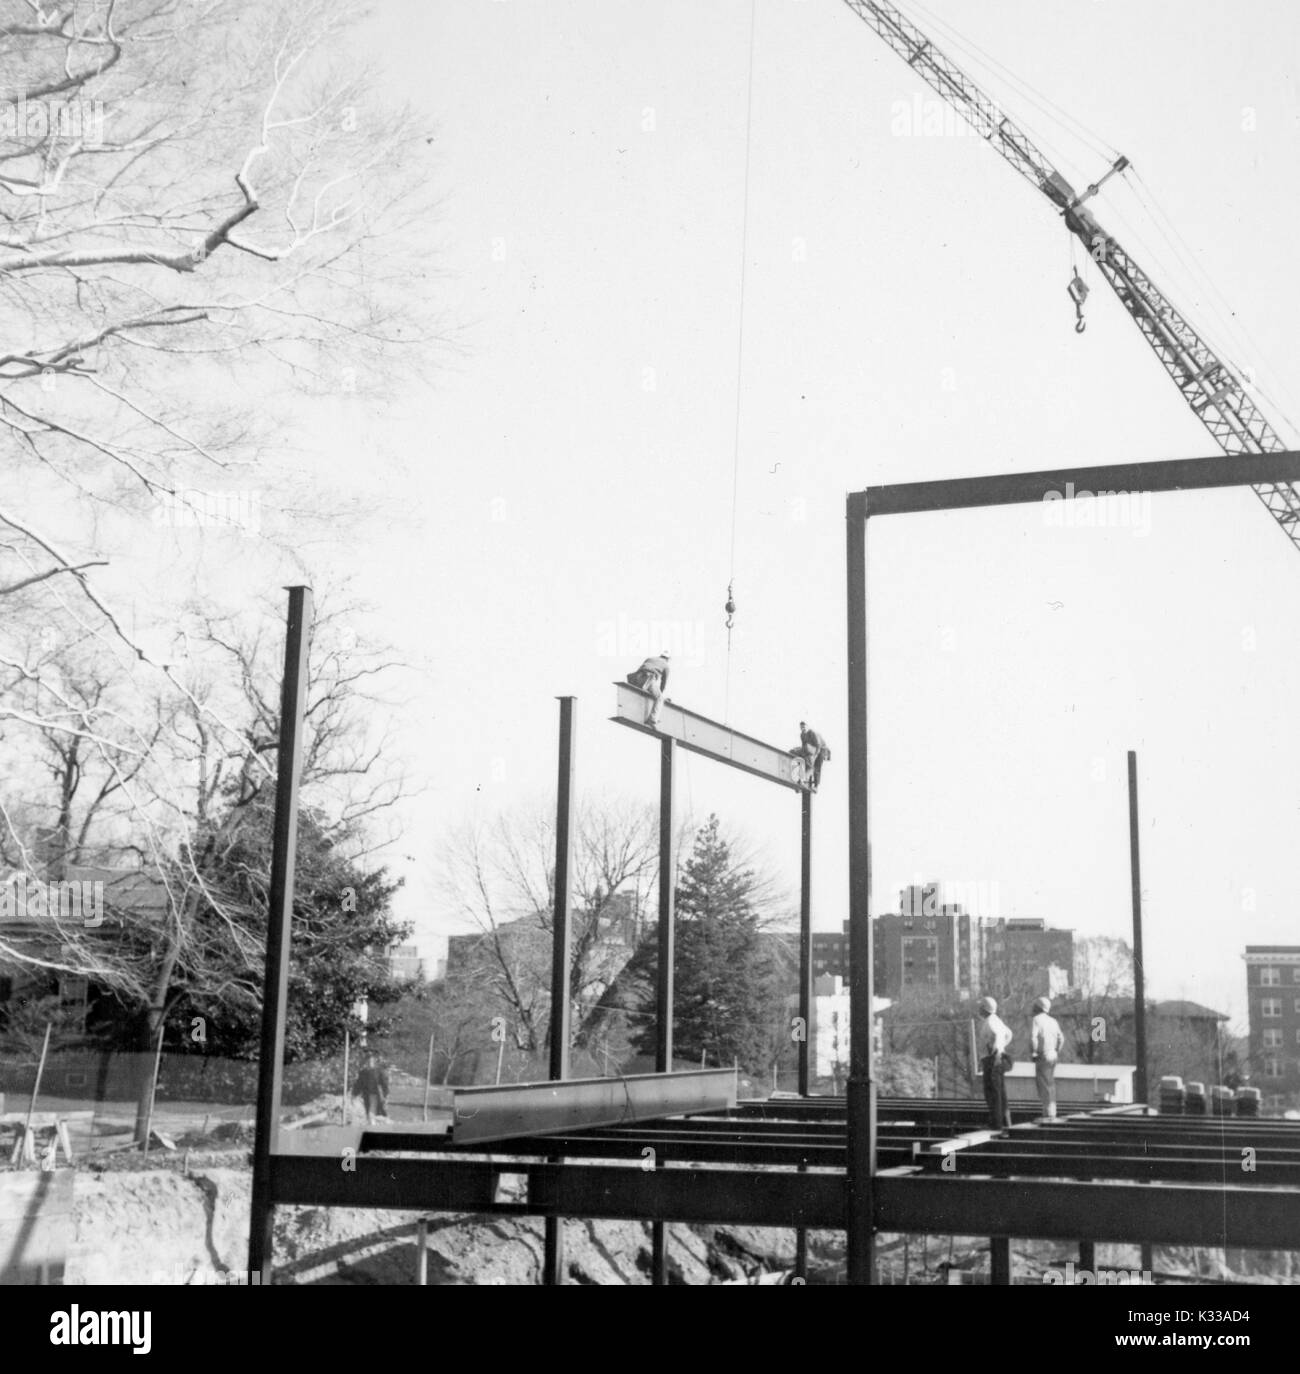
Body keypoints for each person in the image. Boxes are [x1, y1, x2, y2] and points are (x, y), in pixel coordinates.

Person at [977, 995, 1013, 1131]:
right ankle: (1004, 1122)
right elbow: (1009, 1033)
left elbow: (999, 1035)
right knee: (999, 1092)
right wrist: (1002, 1047)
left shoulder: (990, 1022)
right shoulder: (996, 1020)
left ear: (985, 1008)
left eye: (981, 1007)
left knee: (992, 1093)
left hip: (993, 1060)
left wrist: (996, 1051)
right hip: (996, 1058)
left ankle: (996, 1124)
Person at [1030, 996, 1065, 1121]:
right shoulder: (1053, 1021)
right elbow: (1061, 1038)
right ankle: (1052, 1111)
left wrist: (1034, 1052)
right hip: (1053, 1055)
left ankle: (1048, 1113)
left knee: (1043, 1084)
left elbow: (1033, 1038)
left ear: (1038, 1007)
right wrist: (1056, 1051)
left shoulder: (1036, 1020)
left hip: (1043, 1055)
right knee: (1050, 1083)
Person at [626, 652, 671, 727]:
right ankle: (652, 720)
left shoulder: (650, 659)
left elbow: (641, 668)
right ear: (667, 659)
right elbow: (663, 682)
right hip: (648, 678)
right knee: (659, 698)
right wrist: (660, 693)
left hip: (635, 678)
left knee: (643, 692)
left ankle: (630, 710)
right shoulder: (666, 665)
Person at [352, 1051, 390, 1123]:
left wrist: (386, 1095)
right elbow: (358, 1084)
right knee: (368, 1116)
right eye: (368, 1061)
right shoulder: (363, 1072)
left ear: (374, 1061)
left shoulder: (379, 1071)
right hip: (366, 1096)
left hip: (375, 1096)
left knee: (372, 1115)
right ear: (366, 1062)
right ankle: (374, 1126)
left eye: (371, 1061)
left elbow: (384, 1084)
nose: (369, 1063)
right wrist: (354, 1094)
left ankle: (375, 1127)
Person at [798, 722, 830, 791]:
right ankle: (803, 781)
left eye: (804, 727)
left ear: (807, 726)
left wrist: (815, 756)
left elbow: (818, 745)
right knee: (807, 762)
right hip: (811, 749)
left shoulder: (812, 733)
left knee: (816, 767)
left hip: (821, 749)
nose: (803, 729)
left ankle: (816, 786)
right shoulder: (802, 735)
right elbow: (804, 745)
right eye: (801, 727)